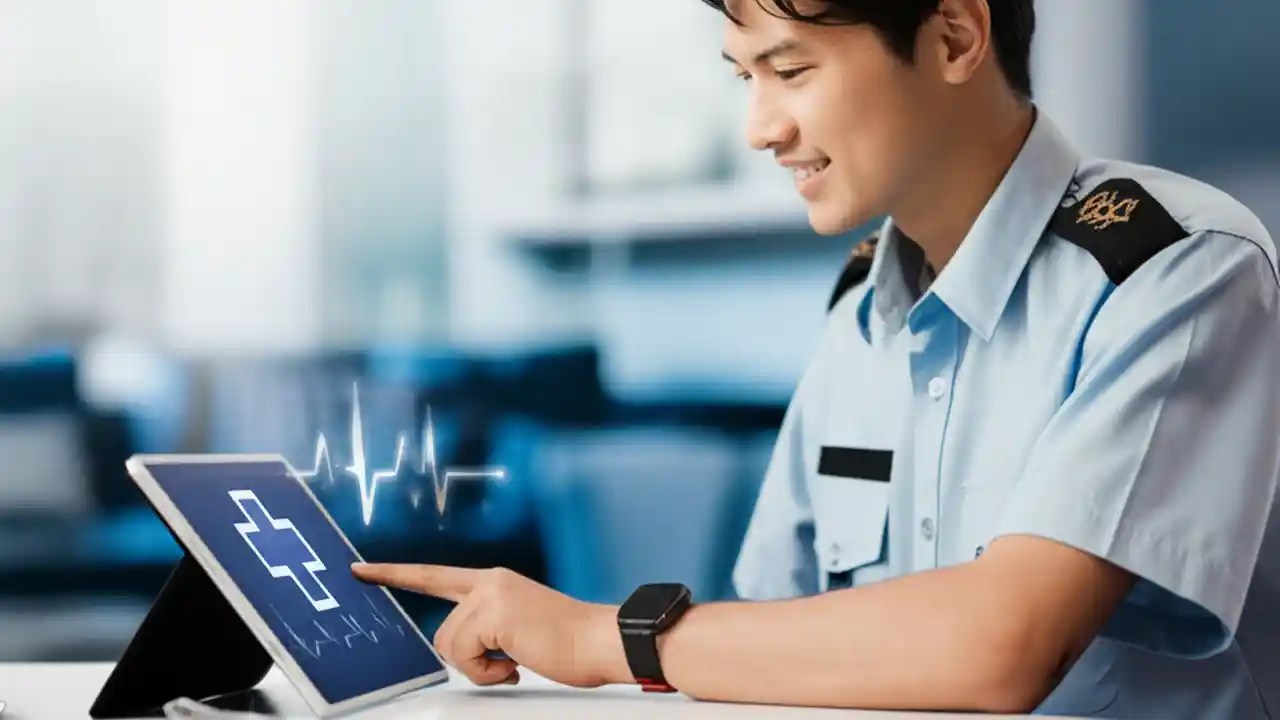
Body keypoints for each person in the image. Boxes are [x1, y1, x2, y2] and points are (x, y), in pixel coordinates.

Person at [353, 0, 1280, 715]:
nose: (761, 127)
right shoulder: (864, 312)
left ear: (954, 36)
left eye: (790, 69)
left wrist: (606, 638)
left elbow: (1002, 647)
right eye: (743, 77)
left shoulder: (1176, 268)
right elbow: (767, 635)